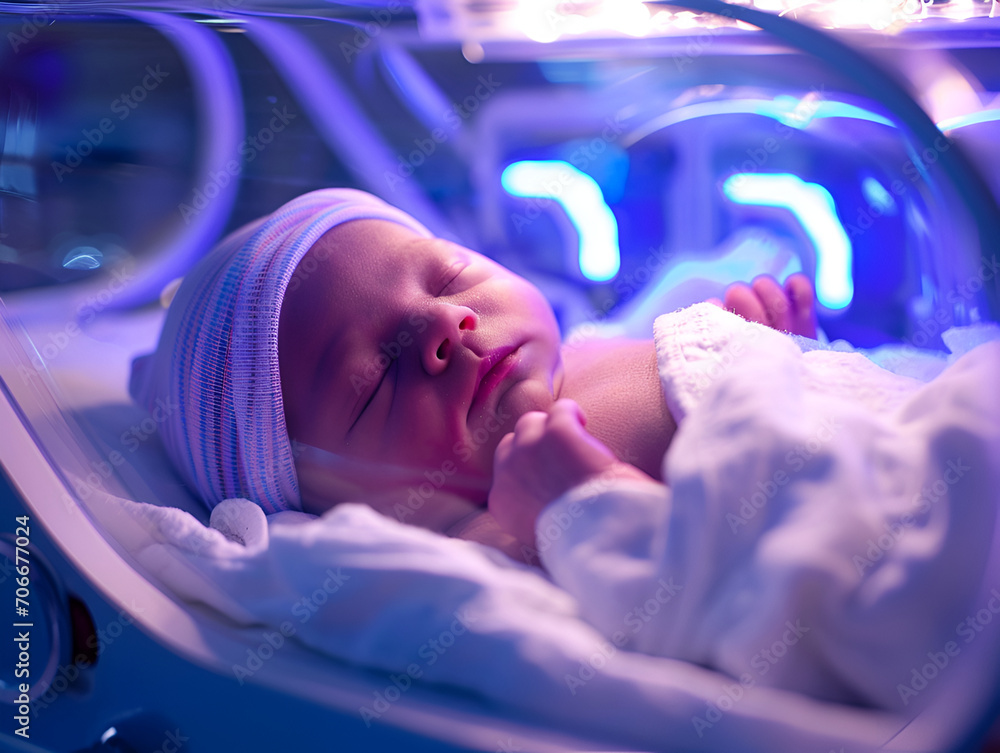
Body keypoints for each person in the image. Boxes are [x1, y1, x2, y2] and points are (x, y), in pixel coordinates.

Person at [131, 188, 1000, 711]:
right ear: (330, 498)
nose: (445, 323)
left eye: (449, 275)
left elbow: (801, 413)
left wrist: (779, 354)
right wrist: (594, 507)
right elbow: (687, 606)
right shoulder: (474, 531)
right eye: (375, 376)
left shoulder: (591, 345)